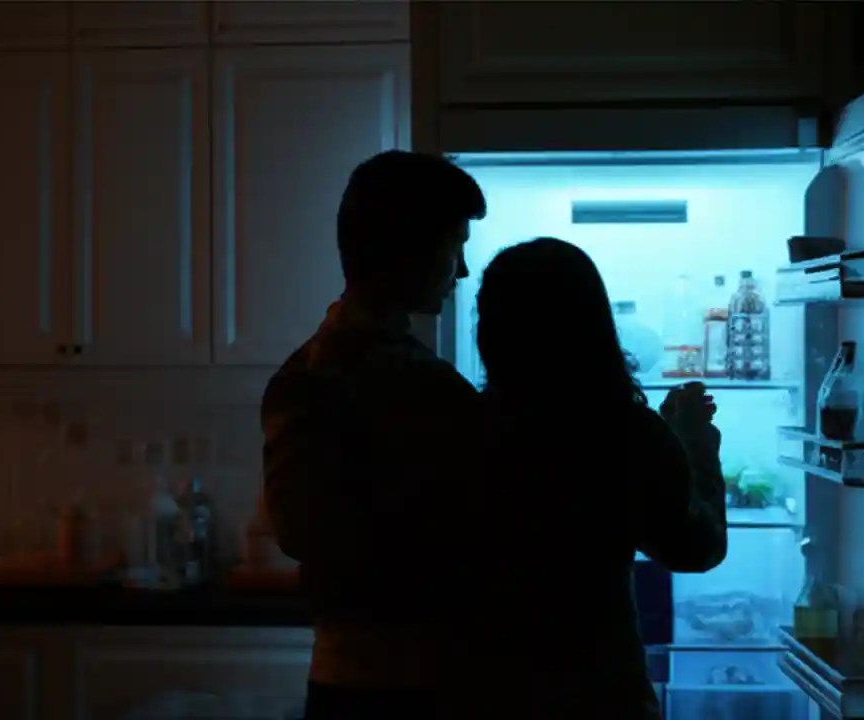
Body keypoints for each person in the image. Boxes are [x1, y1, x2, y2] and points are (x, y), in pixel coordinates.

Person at [459, 237, 727, 720]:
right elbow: (694, 547)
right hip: (602, 687)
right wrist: (696, 444)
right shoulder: (625, 431)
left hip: (486, 686)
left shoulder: (464, 425)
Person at [260, 150, 487, 720]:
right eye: (454, 246)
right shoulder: (388, 379)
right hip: (392, 679)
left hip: (356, 672)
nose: (461, 271)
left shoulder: (313, 372)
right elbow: (306, 530)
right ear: (408, 247)